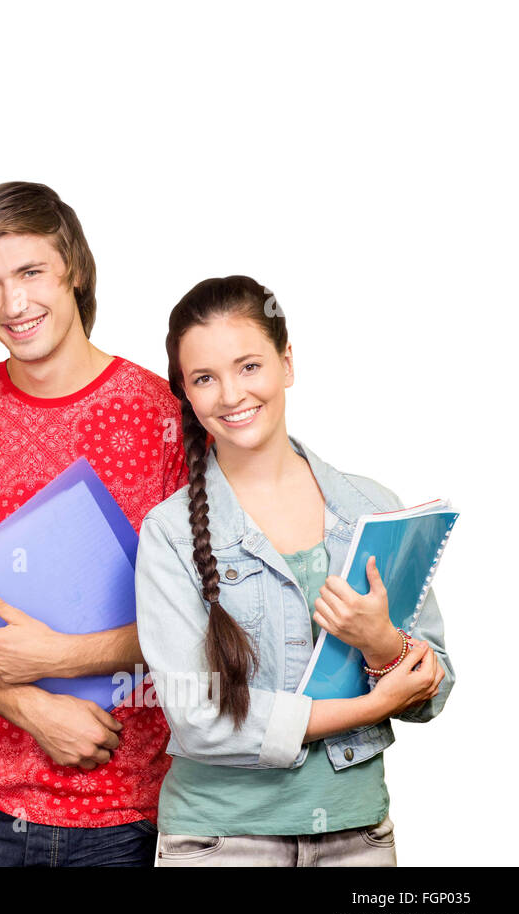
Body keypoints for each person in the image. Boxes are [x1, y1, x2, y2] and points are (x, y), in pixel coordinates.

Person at [0, 182, 186, 867]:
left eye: (30, 273)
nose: (12, 304)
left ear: (74, 270)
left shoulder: (166, 415)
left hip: (133, 813)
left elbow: (205, 618)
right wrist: (32, 707)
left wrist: (66, 658)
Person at [134, 274, 451, 866]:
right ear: (186, 392)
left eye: (249, 366)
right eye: (205, 378)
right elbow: (198, 716)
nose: (231, 394)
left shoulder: (371, 508)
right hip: (221, 841)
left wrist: (383, 645)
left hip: (358, 835)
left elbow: (434, 690)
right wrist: (370, 706)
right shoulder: (170, 533)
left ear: (286, 364)